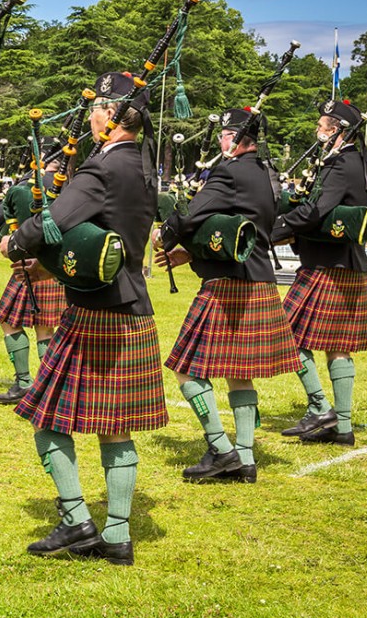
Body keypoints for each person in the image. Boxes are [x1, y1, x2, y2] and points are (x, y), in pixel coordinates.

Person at [6, 72, 167, 567]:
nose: (92, 115)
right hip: (134, 307)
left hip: (95, 312)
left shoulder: (100, 171)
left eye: (98, 108)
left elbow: (56, 219)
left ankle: (77, 520)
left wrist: (18, 240)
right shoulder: (144, 167)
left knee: (47, 420)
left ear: (113, 117)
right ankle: (116, 535)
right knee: (117, 426)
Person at [154, 107, 300, 482]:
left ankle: (221, 449)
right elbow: (241, 224)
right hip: (260, 277)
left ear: (235, 139)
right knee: (240, 373)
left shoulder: (228, 170)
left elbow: (191, 214)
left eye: (224, 134)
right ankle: (246, 459)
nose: (220, 141)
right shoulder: (267, 175)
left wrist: (166, 236)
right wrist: (195, 250)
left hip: (229, 282)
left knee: (186, 371)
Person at [271, 99, 367, 446]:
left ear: (336, 129)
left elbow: (317, 211)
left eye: (322, 124)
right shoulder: (354, 161)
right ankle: (342, 427)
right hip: (344, 263)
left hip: (328, 266)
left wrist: (274, 228)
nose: (318, 129)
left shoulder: (341, 164)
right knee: (338, 345)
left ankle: (320, 407)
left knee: (287, 334)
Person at [0, 152, 67, 406]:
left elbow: (0, 215)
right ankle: (51, 387)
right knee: (45, 328)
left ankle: (25, 382)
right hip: (54, 267)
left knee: (8, 321)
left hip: (27, 266)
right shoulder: (69, 188)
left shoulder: (23, 189)